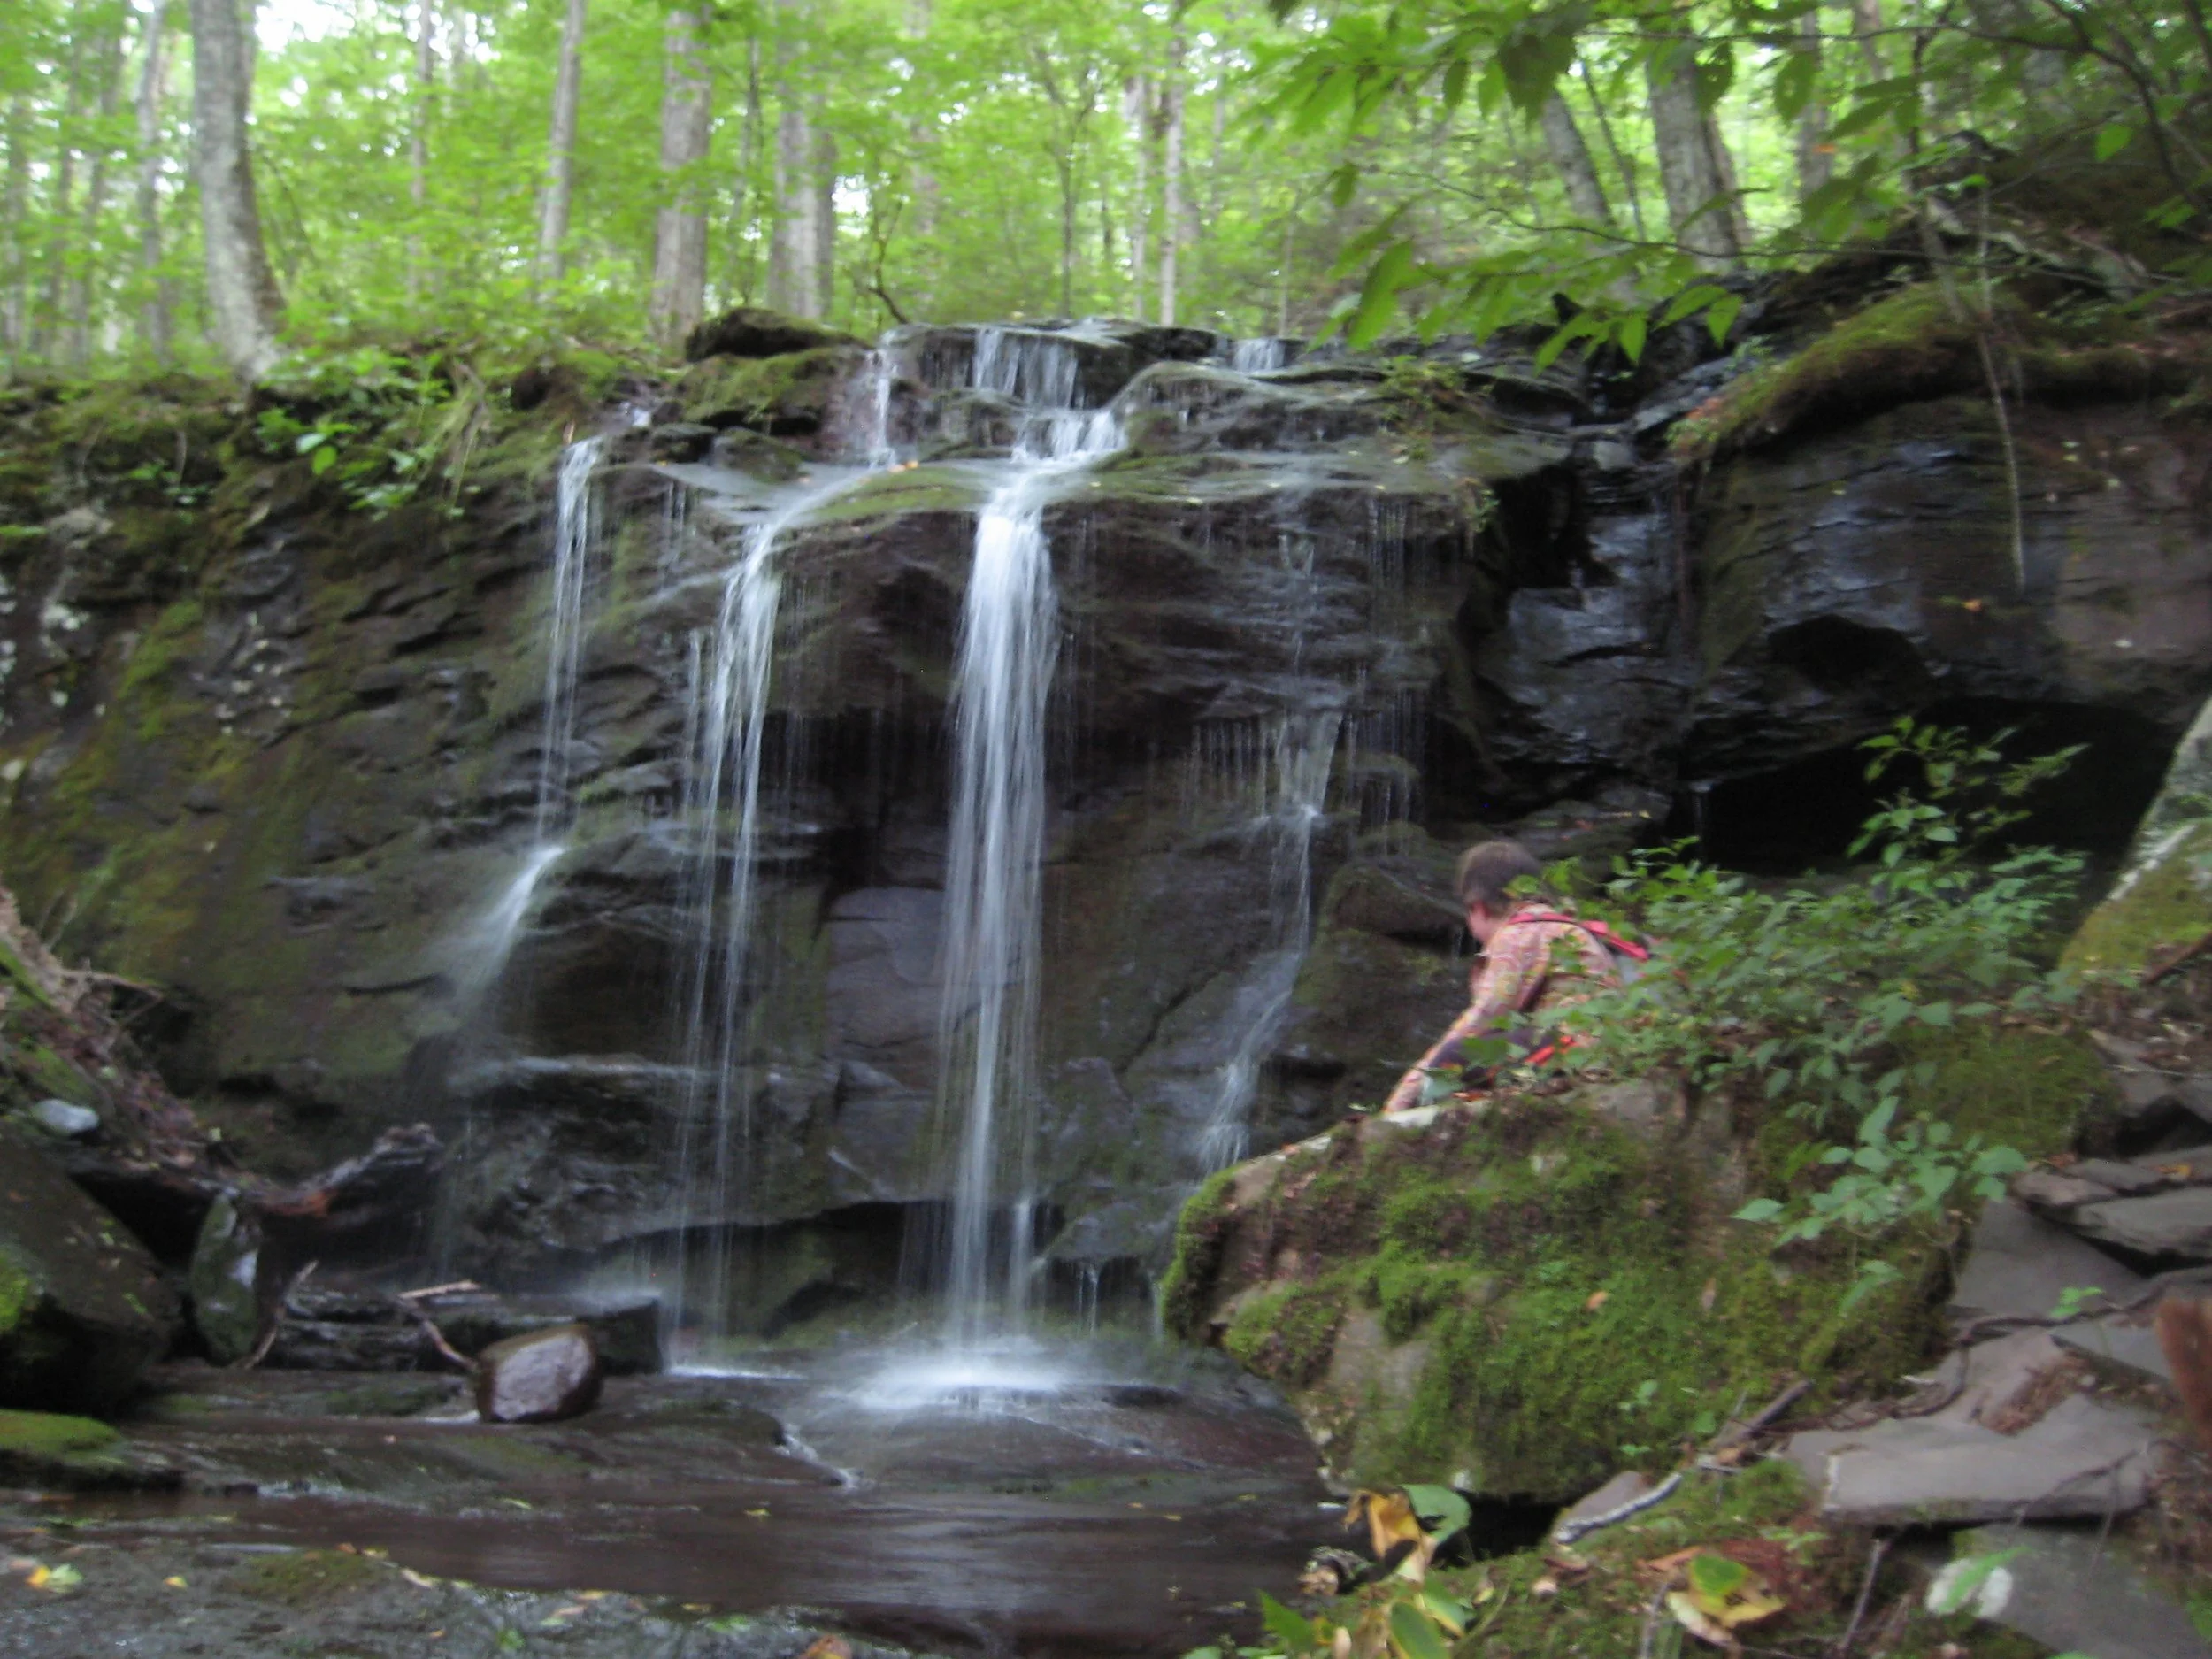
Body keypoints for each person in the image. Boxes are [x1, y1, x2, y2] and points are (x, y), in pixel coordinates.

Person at [1380, 839, 1621, 1114]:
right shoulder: (1557, 925)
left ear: (1478, 907)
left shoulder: (1518, 936)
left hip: (1578, 1047)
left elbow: (1484, 1017)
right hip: (1603, 1044)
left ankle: (1408, 1126)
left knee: (1452, 1058)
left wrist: (1402, 1096)